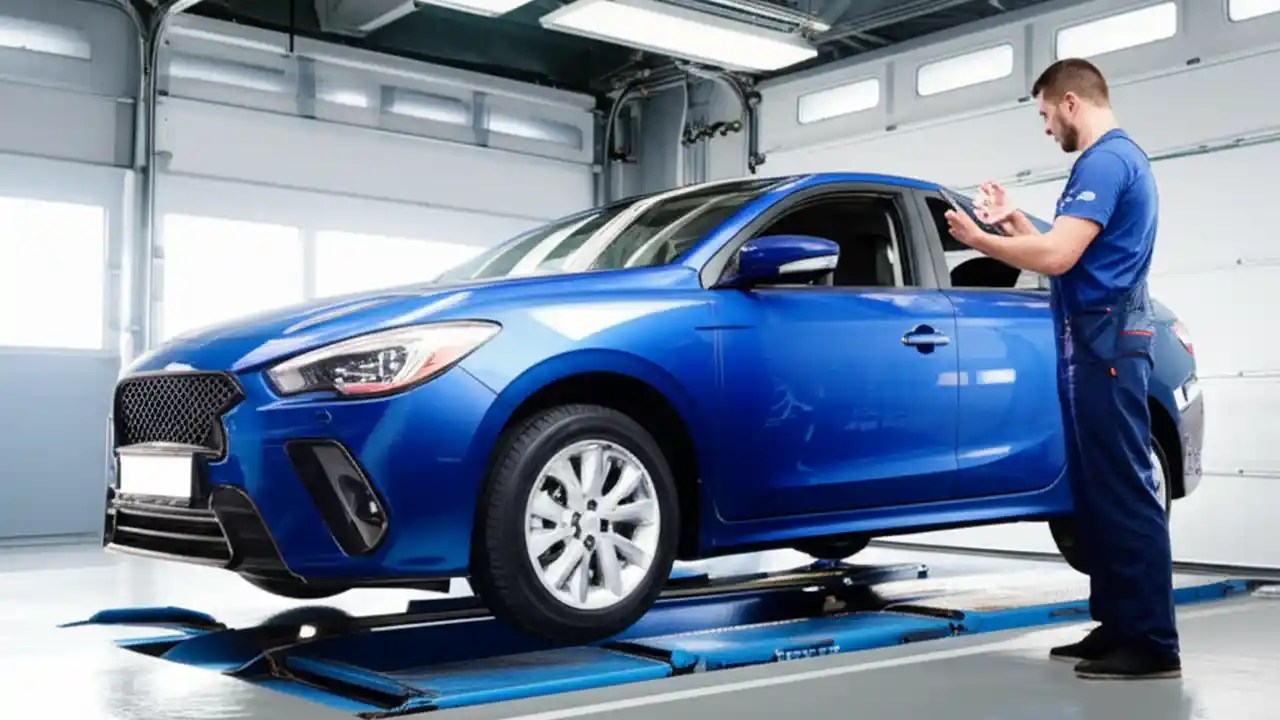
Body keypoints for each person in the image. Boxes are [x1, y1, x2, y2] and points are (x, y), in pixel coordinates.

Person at [943, 58, 1180, 680]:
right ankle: (1118, 625)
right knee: (1097, 491)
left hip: (1107, 346)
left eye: (1047, 115)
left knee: (1125, 491)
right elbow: (1069, 247)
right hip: (1092, 343)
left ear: (1071, 102)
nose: (1047, 128)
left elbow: (1056, 254)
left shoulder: (1105, 160)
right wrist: (1013, 221)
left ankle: (1152, 643)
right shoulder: (1113, 162)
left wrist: (979, 239)